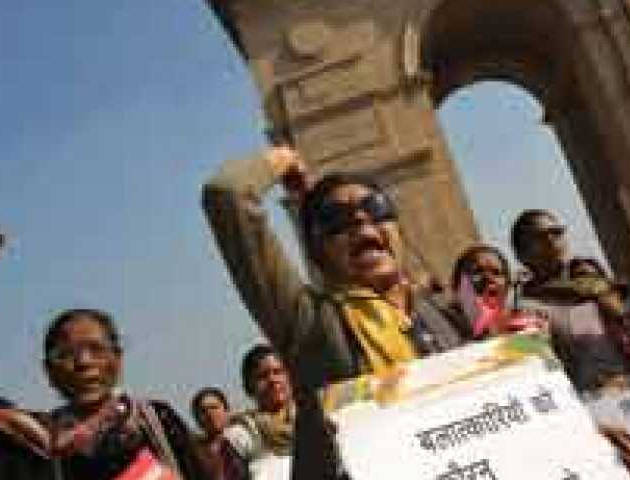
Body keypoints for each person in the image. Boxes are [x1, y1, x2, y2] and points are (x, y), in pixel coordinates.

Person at [202, 146, 467, 480]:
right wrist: (286, 160)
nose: (361, 220)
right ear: (318, 252)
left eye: (376, 208)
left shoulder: (440, 314)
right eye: (336, 219)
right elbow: (228, 195)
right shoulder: (307, 319)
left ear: (399, 231)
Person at [0, 222, 206, 480]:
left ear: (117, 359)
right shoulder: (28, 447)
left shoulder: (159, 423)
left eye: (96, 349)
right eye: (66, 353)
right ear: (49, 372)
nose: (84, 362)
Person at [510, 210, 630, 391]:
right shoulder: (525, 310)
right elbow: (536, 371)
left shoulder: (598, 289)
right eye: (540, 237)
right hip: (593, 400)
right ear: (522, 254)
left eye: (557, 232)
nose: (551, 240)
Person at [221, 346, 294, 480]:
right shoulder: (239, 436)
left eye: (278, 372)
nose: (273, 380)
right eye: (262, 376)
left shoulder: (314, 420)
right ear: (249, 387)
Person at [190, 387, 235, 479]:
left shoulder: (245, 440)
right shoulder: (193, 453)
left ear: (227, 411)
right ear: (197, 418)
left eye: (214, 407)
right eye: (203, 411)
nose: (210, 414)